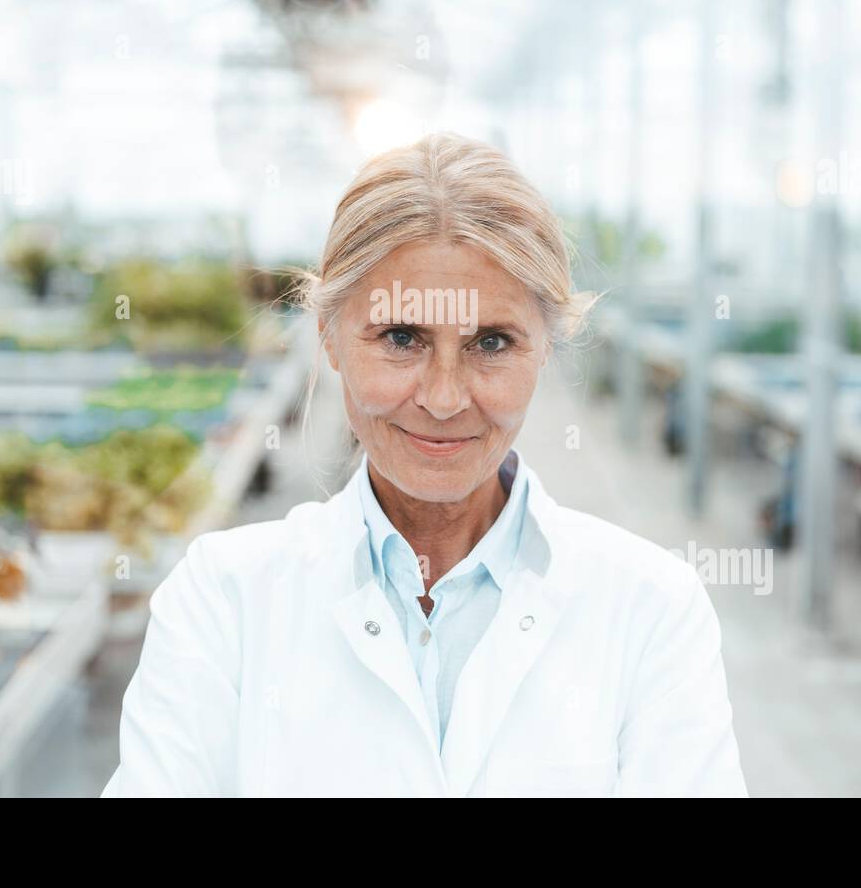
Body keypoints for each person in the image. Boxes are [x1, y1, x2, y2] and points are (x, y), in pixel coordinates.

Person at [101, 132, 747, 797]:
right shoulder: (222, 601)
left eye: (491, 342)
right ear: (328, 334)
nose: (443, 398)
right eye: (402, 338)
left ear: (546, 346)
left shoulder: (651, 609)